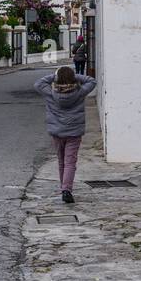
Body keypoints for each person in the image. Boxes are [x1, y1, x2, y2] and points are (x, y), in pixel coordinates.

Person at [34, 66, 97, 203]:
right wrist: (75, 76)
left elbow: (38, 83)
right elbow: (92, 81)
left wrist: (54, 75)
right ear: (73, 78)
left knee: (61, 161)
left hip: (57, 132)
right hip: (74, 132)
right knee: (70, 162)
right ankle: (66, 189)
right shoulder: (79, 92)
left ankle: (64, 188)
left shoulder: (50, 93)